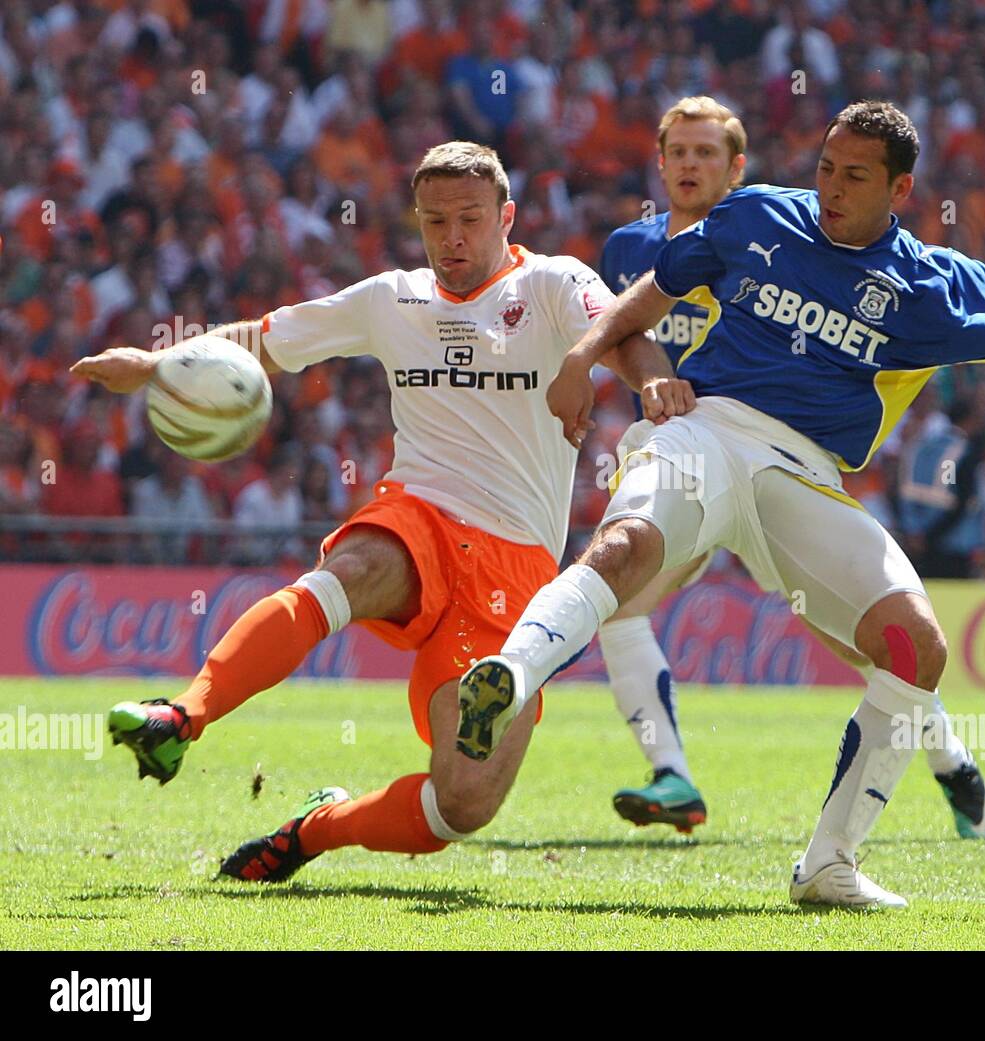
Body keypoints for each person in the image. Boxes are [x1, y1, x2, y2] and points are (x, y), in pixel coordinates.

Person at [453, 100, 985, 909]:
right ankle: (510, 678)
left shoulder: (929, 288)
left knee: (915, 645)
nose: (830, 187)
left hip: (804, 476)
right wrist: (586, 354)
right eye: (826, 167)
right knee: (626, 546)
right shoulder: (758, 213)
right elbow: (657, 288)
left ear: (899, 188)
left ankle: (829, 863)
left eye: (854, 175)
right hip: (707, 431)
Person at [69, 141, 689, 883]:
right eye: (435, 222)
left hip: (516, 569)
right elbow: (263, 341)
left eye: (469, 219)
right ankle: (182, 714)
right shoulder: (391, 298)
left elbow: (625, 336)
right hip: (420, 515)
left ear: (507, 216)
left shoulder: (554, 285)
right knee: (351, 568)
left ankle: (316, 828)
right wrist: (153, 365)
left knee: (461, 806)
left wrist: (653, 384)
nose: (452, 238)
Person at [598, 96, 985, 842]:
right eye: (677, 152)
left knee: (855, 642)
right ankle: (671, 772)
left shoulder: (769, 236)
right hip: (687, 460)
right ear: (659, 163)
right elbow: (618, 333)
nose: (690, 164)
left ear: (737, 167)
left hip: (772, 463)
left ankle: (952, 760)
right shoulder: (629, 249)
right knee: (619, 597)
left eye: (706, 153)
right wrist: (649, 380)